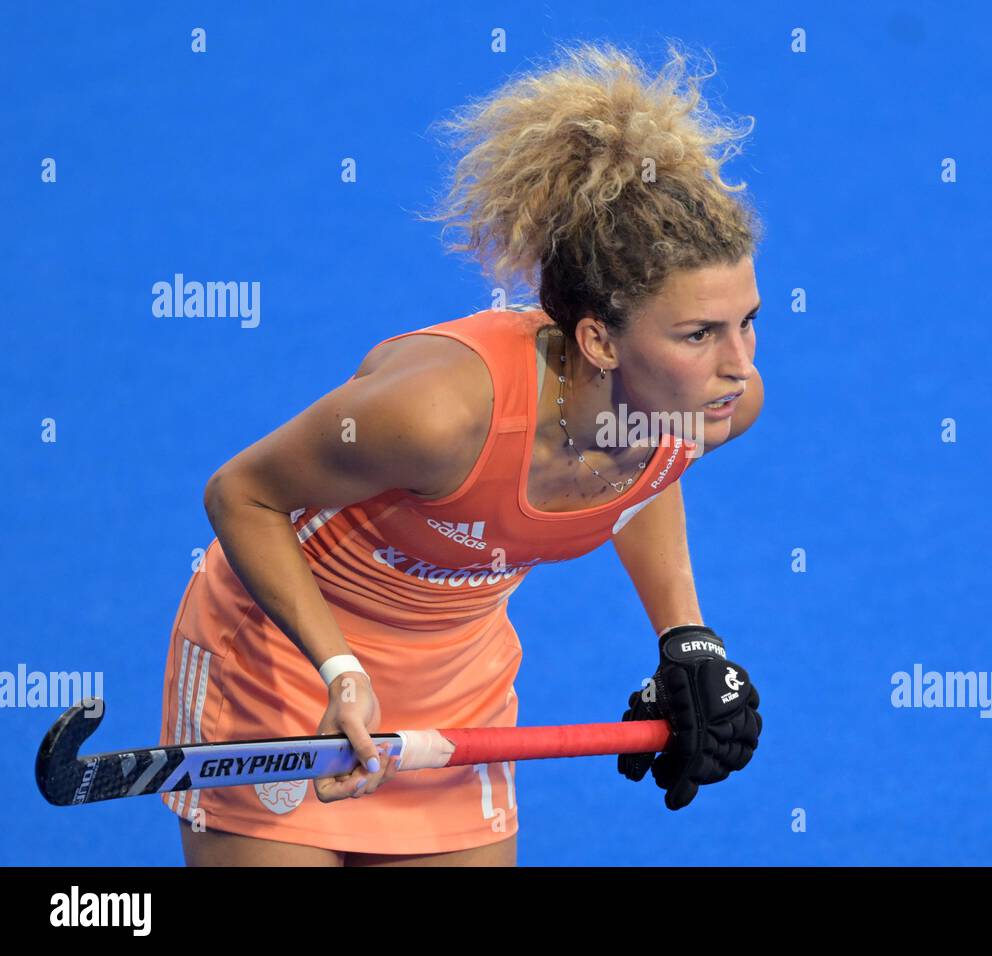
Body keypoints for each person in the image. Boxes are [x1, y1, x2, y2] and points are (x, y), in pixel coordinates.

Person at [158, 41, 765, 867]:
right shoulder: (440, 416)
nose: (740, 364)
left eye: (748, 321)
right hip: (288, 662)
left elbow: (644, 472)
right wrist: (338, 670)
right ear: (599, 340)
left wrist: (686, 640)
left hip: (456, 681)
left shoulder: (709, 406)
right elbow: (241, 495)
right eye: (699, 334)